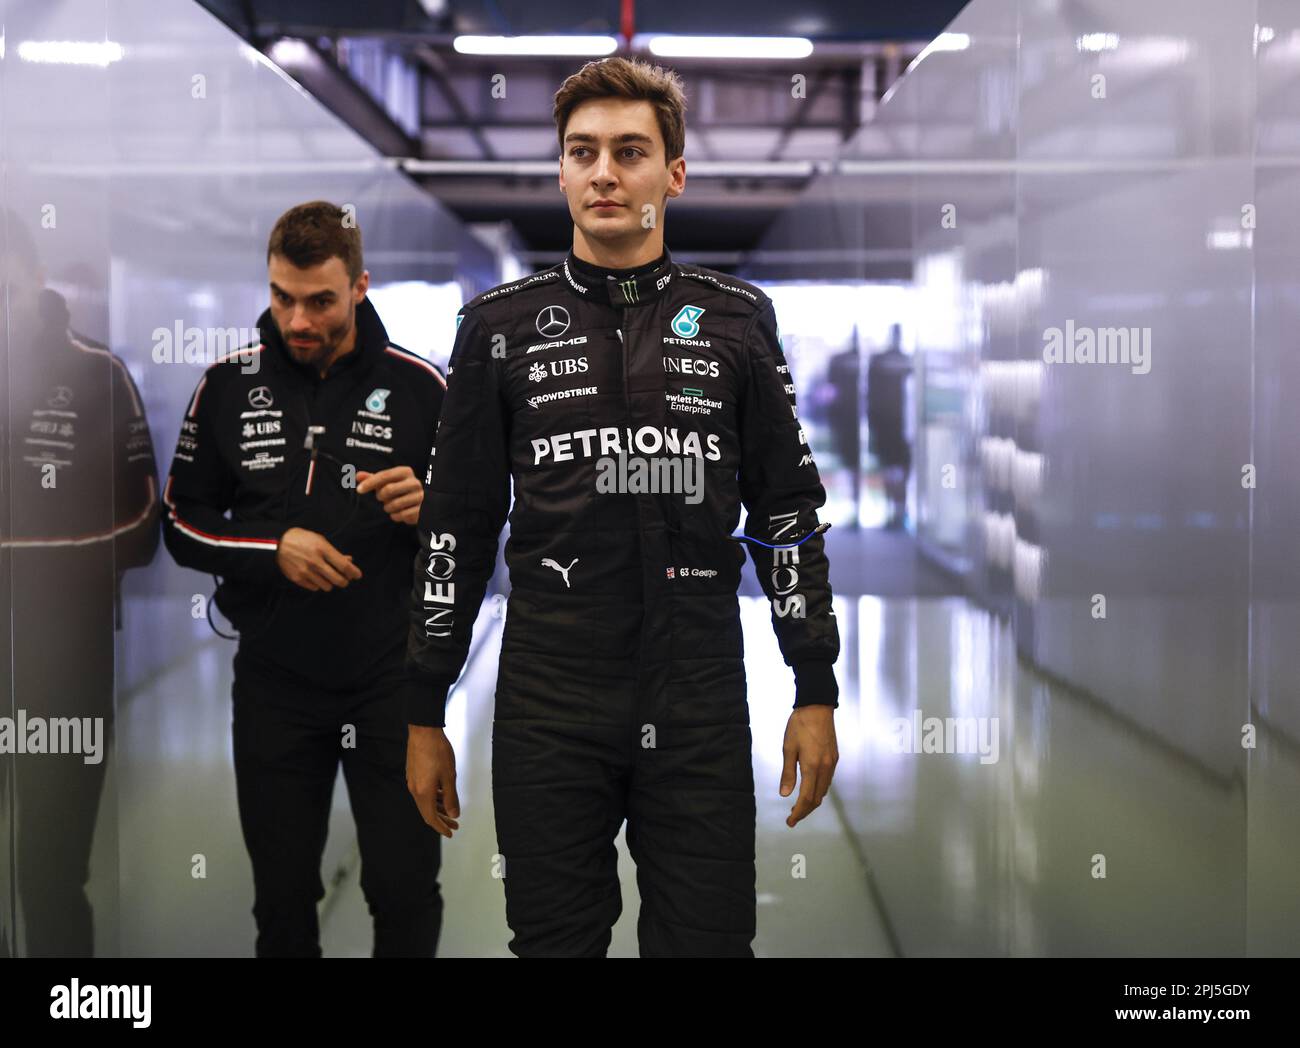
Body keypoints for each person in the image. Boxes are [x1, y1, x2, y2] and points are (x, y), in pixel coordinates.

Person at [404, 58, 841, 957]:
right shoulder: (497, 328)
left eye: (630, 151)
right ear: (561, 172)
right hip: (547, 703)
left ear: (671, 175)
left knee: (709, 943)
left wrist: (816, 687)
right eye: (583, 152)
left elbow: (788, 511)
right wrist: (425, 707)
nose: (605, 172)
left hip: (700, 700)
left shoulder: (736, 319)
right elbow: (457, 524)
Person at [160, 201, 447, 957]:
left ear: (359, 286)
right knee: (282, 899)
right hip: (274, 686)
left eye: (320, 300)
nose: (297, 320)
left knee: (405, 888)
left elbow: (485, 529)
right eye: (282, 297)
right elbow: (180, 524)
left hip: (391, 683)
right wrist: (270, 547)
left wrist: (435, 509)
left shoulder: (423, 389)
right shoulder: (226, 385)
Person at [866, 323, 913, 530]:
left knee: (892, 468)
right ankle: (898, 510)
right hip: (898, 426)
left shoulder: (882, 361)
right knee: (899, 468)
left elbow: (870, 394)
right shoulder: (906, 361)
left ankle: (895, 511)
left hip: (890, 424)